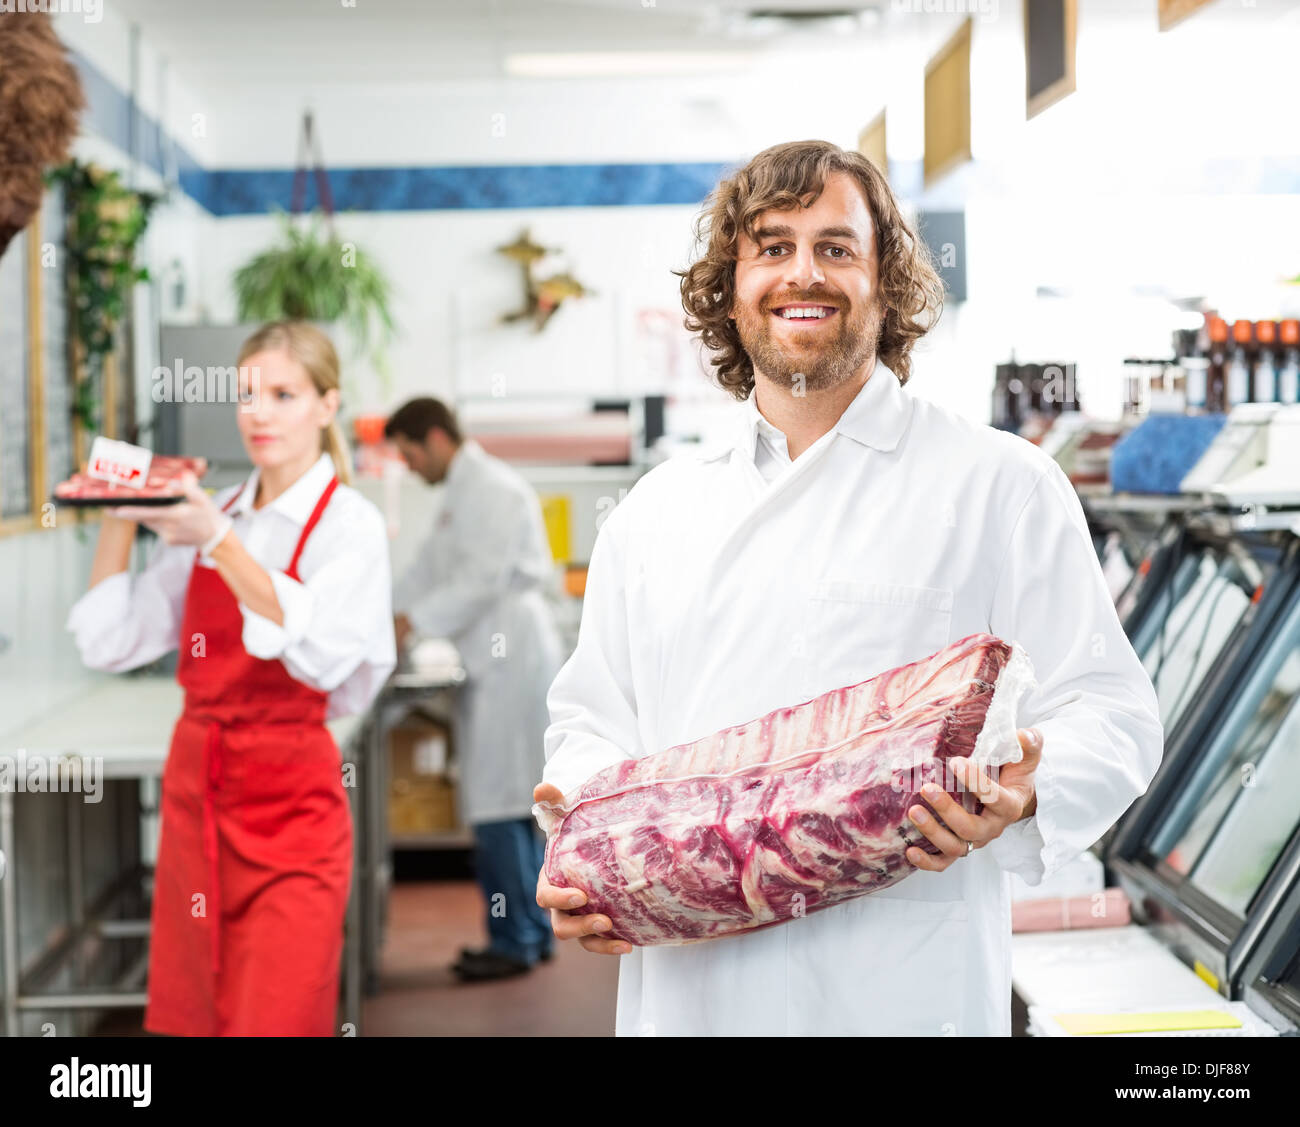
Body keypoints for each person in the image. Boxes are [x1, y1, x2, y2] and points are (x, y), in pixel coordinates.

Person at [534, 140, 1164, 1036]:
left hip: (902, 993)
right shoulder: (654, 512)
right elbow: (594, 720)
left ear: (885, 281)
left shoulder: (1001, 484)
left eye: (836, 247)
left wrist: (1025, 790)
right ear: (730, 285)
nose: (805, 273)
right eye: (773, 246)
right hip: (696, 997)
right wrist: (583, 852)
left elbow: (1111, 708)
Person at [67, 321, 395, 1036]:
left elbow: (323, 651)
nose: (258, 412)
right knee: (194, 1016)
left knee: (274, 1014)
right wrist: (124, 513)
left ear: (326, 404)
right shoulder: (212, 510)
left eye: (283, 393)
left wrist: (219, 542)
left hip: (293, 809)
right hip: (198, 798)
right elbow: (113, 639)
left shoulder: (348, 525)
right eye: (246, 394)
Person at [385, 398, 563, 981]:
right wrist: (390, 610)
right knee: (508, 802)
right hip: (495, 653)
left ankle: (515, 939)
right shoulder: (460, 495)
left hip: (509, 652)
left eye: (410, 453)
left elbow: (477, 580)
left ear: (435, 437)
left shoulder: (488, 488)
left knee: (499, 804)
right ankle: (530, 933)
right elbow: (427, 570)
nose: (409, 467)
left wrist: (410, 622)